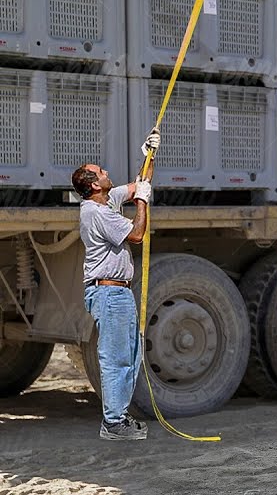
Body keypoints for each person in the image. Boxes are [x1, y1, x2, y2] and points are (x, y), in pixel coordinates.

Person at [73, 127, 160, 440]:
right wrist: (143, 204)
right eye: (101, 172)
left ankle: (118, 417)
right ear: (95, 185)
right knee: (116, 357)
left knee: (127, 355)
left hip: (114, 292)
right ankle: (113, 422)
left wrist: (149, 155)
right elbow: (136, 235)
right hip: (110, 293)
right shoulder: (98, 214)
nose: (107, 171)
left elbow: (139, 185)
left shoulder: (106, 201)